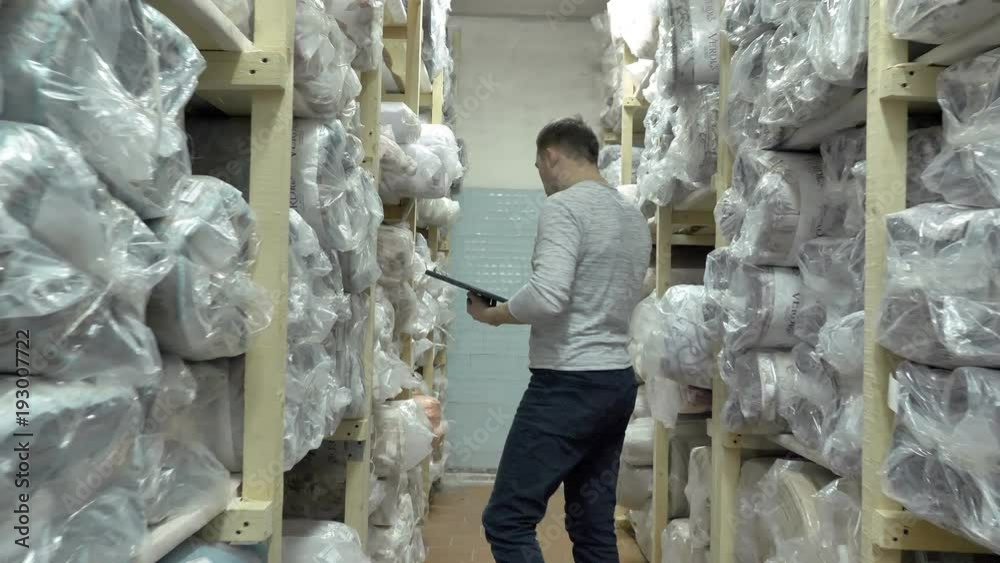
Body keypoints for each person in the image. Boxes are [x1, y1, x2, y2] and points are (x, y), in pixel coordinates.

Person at [466, 116, 652, 563]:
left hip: (568, 385)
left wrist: (496, 315)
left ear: (551, 157)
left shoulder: (565, 207)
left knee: (507, 519)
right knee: (592, 523)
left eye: (537, 167)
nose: (541, 179)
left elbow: (549, 297)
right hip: (616, 383)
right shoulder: (632, 215)